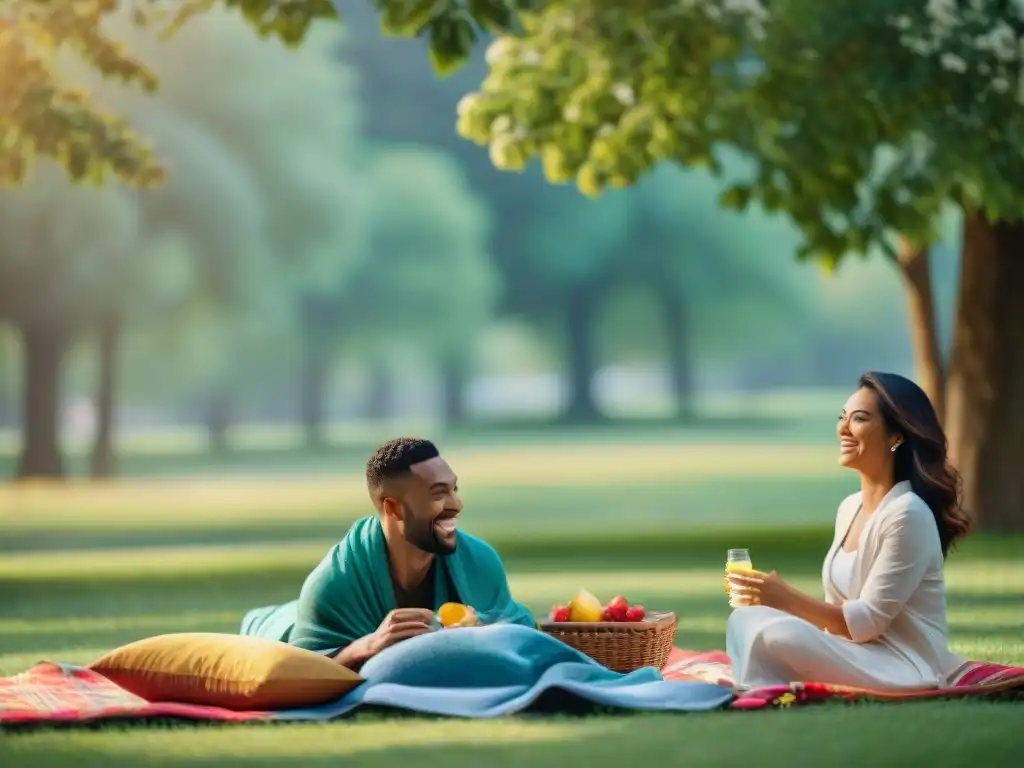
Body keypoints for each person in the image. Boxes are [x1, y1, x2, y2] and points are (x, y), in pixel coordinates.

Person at [726, 372, 972, 691]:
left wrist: (784, 598)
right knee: (746, 620)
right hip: (854, 654)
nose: (843, 428)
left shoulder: (907, 514)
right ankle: (764, 683)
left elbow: (868, 622)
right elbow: (835, 623)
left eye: (859, 419)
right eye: (842, 417)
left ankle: (762, 685)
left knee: (778, 634)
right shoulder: (849, 508)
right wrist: (775, 607)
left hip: (903, 666)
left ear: (895, 436)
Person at [240, 437, 535, 670]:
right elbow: (303, 669)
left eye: (454, 489)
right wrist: (368, 645)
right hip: (284, 625)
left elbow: (519, 629)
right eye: (438, 494)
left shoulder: (480, 561)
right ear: (393, 508)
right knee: (274, 624)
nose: (456, 504)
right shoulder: (332, 583)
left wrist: (479, 626)